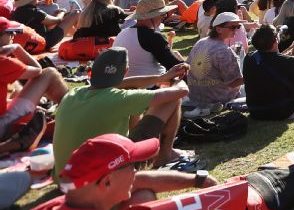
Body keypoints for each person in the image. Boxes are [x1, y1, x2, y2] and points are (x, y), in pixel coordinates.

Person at [10, 134, 218, 210]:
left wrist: (197, 180)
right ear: (107, 182)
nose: (137, 172)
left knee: (144, 194)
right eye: (134, 166)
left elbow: (140, 181)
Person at [52, 48, 192, 176]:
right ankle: (164, 156)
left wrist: (161, 78)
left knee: (133, 91)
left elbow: (122, 83)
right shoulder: (120, 99)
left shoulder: (74, 93)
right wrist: (176, 80)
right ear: (125, 71)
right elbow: (181, 92)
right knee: (172, 100)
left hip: (66, 179)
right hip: (102, 178)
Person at [244, 25, 294, 120]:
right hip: (283, 111)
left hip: (256, 111)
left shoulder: (249, 59)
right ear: (276, 40)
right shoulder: (290, 61)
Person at [186, 11, 245, 107]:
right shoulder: (224, 51)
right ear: (218, 29)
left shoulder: (201, 42)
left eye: (238, 27)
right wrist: (252, 75)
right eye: (233, 27)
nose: (236, 30)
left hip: (195, 97)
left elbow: (188, 67)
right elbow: (233, 83)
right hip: (219, 98)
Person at [115, 0, 183, 78]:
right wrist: (185, 63)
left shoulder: (122, 33)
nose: (164, 18)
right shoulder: (153, 37)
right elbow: (174, 65)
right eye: (163, 14)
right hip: (150, 86)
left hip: (124, 83)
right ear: (152, 16)